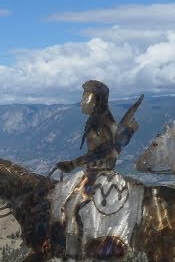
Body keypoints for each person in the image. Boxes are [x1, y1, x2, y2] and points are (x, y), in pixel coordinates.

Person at [55, 80, 143, 246]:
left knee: (74, 204)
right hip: (91, 172)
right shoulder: (95, 121)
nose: (82, 102)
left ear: (97, 101)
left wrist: (73, 163)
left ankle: (82, 243)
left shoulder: (105, 122)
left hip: (101, 173)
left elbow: (106, 150)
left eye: (86, 98)